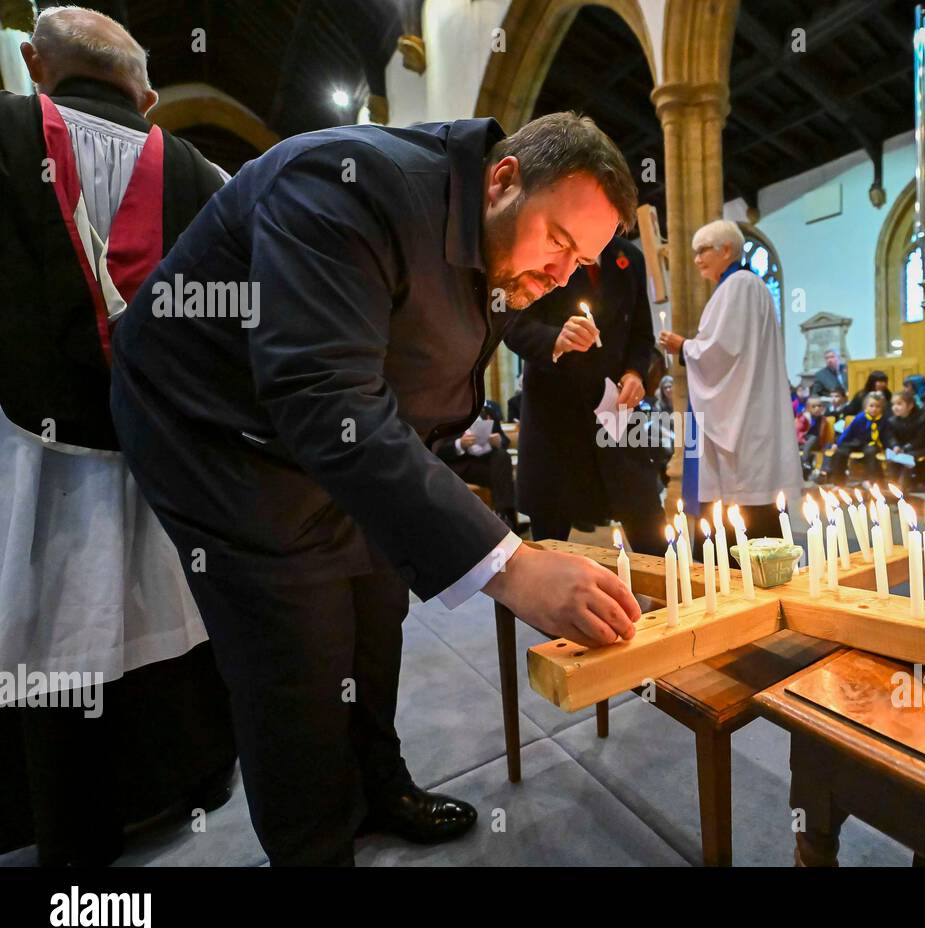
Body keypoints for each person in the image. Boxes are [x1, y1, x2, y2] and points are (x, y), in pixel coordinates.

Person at [109, 110, 644, 866]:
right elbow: (321, 395)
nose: (562, 275)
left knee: (374, 605)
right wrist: (512, 566)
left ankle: (378, 787)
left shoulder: (493, 238)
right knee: (297, 650)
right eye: (559, 240)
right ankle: (316, 845)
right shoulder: (346, 185)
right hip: (222, 434)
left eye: (579, 260)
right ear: (503, 178)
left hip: (354, 431)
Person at [0, 6, 236, 866]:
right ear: (147, 94)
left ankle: (69, 842)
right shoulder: (199, 170)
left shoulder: (4, 130)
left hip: (24, 459)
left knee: (48, 641)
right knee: (161, 623)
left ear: (36, 64)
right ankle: (184, 785)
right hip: (156, 460)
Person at [504, 234, 662, 554]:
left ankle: (675, 600)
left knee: (649, 528)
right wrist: (556, 338)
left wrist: (634, 373)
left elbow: (642, 335)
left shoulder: (629, 256)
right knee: (551, 541)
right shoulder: (544, 249)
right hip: (557, 418)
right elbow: (513, 326)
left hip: (615, 415)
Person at [658, 219, 802, 539]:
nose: (696, 259)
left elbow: (722, 352)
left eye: (702, 251)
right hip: (750, 409)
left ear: (726, 250)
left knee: (739, 510)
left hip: (743, 419)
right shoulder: (748, 286)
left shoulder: (739, 285)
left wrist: (683, 346)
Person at [435, 399, 517, 532]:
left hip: (485, 463)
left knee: (502, 457)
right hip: (459, 465)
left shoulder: (486, 411)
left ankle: (502, 515)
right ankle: (506, 518)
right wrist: (459, 444)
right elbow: (435, 450)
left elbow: (504, 439)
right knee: (503, 477)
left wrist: (499, 440)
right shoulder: (444, 415)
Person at [819, 390, 888, 484]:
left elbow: (887, 435)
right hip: (856, 442)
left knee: (871, 452)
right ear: (865, 407)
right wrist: (837, 443)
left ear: (882, 408)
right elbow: (848, 432)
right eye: (871, 406)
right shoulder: (860, 417)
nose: (874, 409)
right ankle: (838, 482)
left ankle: (871, 481)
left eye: (877, 406)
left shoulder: (883, 419)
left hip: (871, 444)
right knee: (841, 451)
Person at [883, 390, 925, 486]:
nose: (895, 407)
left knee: (907, 458)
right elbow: (890, 436)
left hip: (920, 447)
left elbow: (920, 439)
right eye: (893, 404)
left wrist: (905, 448)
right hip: (901, 448)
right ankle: (891, 486)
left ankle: (902, 487)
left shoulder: (921, 418)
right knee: (892, 458)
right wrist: (895, 446)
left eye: (899, 404)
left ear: (910, 405)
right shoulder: (892, 420)